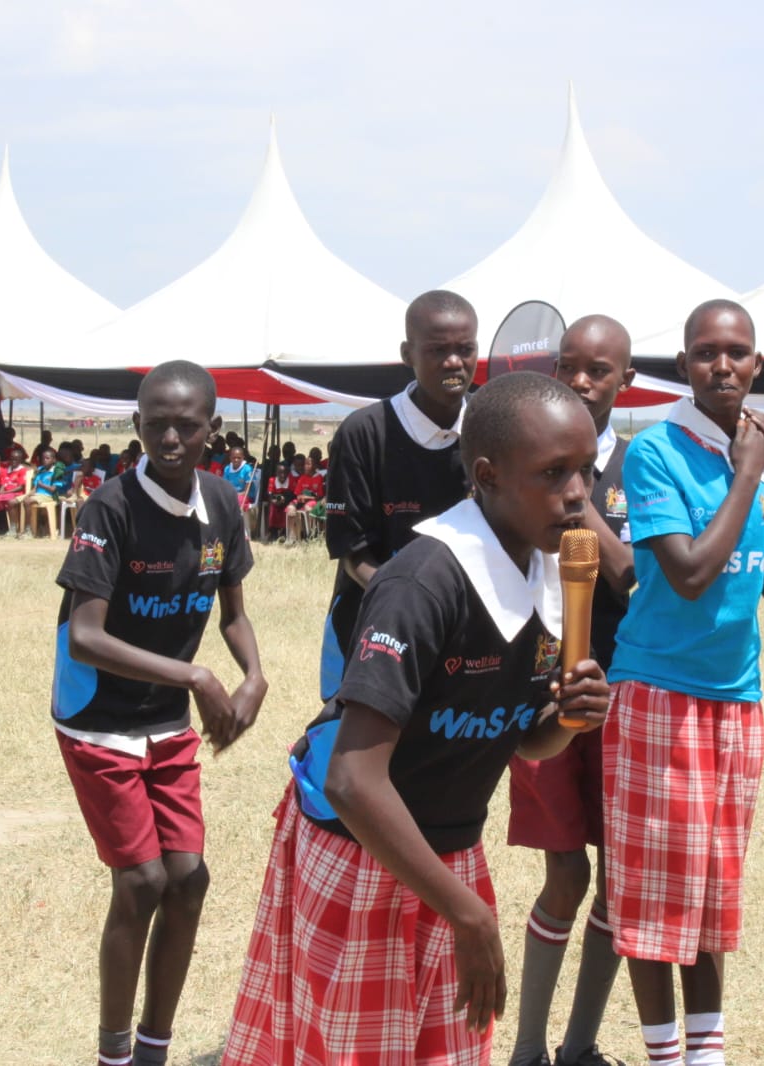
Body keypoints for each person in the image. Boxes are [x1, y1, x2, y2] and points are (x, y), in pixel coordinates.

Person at [222, 371, 609, 1066]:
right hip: (366, 853)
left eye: (585, 469)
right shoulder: (421, 583)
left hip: (450, 856)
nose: (578, 493)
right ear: (486, 475)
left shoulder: (547, 571)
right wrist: (465, 911)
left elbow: (523, 742)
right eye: (553, 473)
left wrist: (567, 721)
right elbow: (352, 779)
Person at [605, 299, 764, 1066]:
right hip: (657, 691)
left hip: (736, 695)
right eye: (704, 352)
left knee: (714, 895)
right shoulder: (656, 450)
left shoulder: (761, 451)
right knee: (655, 896)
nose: (723, 365)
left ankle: (706, 1053)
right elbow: (688, 574)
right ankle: (664, 1054)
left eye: (738, 352)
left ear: (758, 364)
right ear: (683, 364)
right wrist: (750, 473)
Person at [53, 360, 268, 1066]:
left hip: (166, 723)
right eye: (155, 424)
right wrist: (197, 675)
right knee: (141, 881)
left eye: (186, 424)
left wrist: (254, 676)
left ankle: (154, 1047)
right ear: (136, 424)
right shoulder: (109, 508)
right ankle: (113, 1054)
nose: (170, 437)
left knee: (189, 879)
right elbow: (85, 636)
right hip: (97, 718)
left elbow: (232, 610)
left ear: (213, 427)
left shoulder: (221, 503)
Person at [506, 316, 636, 1066]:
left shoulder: (639, 467)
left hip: (622, 694)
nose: (582, 382)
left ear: (624, 380)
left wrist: (580, 499)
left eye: (599, 370)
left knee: (619, 880)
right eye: (569, 367)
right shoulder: (527, 460)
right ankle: (526, 1048)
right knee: (566, 872)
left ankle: (578, 1046)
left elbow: (639, 580)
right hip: (545, 688)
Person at [318, 290, 477, 700]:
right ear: (408, 354)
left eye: (465, 349)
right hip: (373, 625)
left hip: (469, 634)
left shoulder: (491, 428)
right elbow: (354, 553)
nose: (454, 362)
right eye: (438, 350)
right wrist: (418, 605)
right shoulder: (364, 432)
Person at [283, 457, 325, 546]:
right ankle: (291, 538)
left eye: (308, 464)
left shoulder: (319, 478)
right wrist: (301, 497)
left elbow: (319, 497)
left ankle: (309, 535)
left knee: (308, 507)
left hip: (313, 501)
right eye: (305, 464)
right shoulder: (302, 478)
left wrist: (307, 497)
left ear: (314, 466)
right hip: (300, 501)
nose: (305, 466)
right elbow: (297, 494)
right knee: (290, 508)